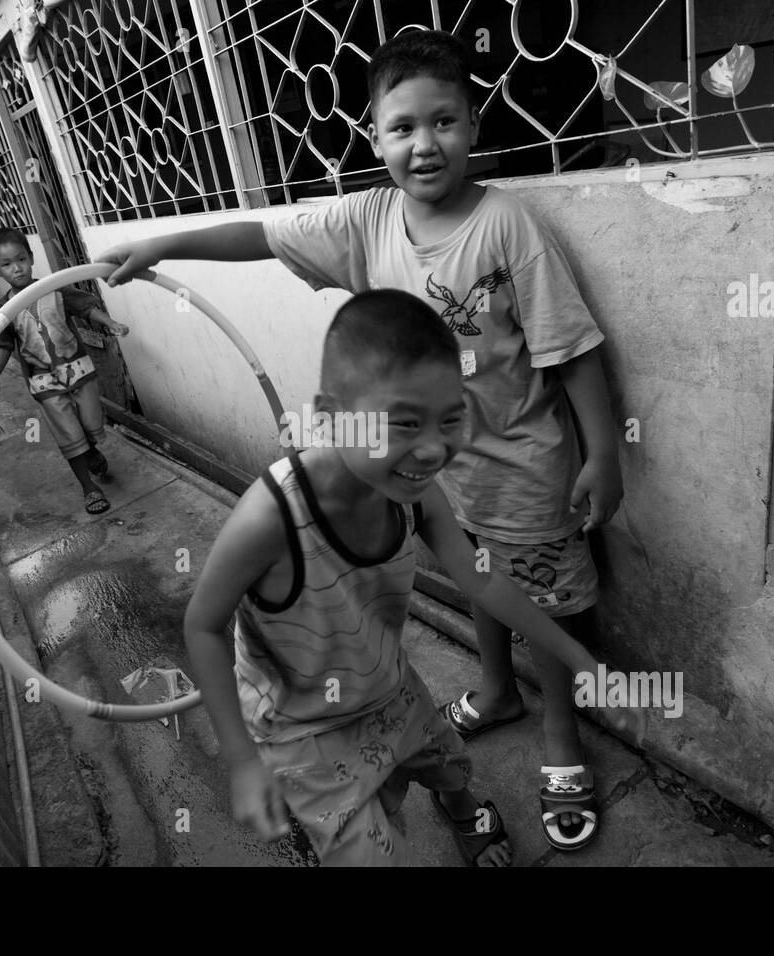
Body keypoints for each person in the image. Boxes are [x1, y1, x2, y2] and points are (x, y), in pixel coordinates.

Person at [101, 31, 626, 850]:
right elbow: (265, 236)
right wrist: (166, 244)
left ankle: (543, 734)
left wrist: (601, 460)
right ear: (374, 136)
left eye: (445, 120)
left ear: (475, 123)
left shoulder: (504, 234)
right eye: (401, 127)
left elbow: (568, 352)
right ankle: (494, 692)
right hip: (323, 695)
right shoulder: (296, 499)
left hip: (520, 467)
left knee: (517, 585)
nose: (425, 144)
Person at [183, 289, 642, 867]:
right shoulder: (269, 517)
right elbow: (203, 626)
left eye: (451, 418)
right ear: (328, 415)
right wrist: (243, 761)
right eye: (403, 422)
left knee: (445, 764)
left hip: (388, 685)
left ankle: (460, 807)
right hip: (300, 732)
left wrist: (582, 662)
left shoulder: (415, 494)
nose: (431, 449)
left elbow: (485, 581)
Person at [0, 227, 130, 514]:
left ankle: (89, 449)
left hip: (80, 373)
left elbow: (86, 308)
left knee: (90, 424)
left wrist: (109, 323)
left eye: (21, 259)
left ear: (31, 258)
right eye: (6, 264)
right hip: (45, 384)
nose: (17, 268)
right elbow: (3, 344)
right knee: (68, 435)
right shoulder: (4, 309)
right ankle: (89, 488)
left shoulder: (55, 288)